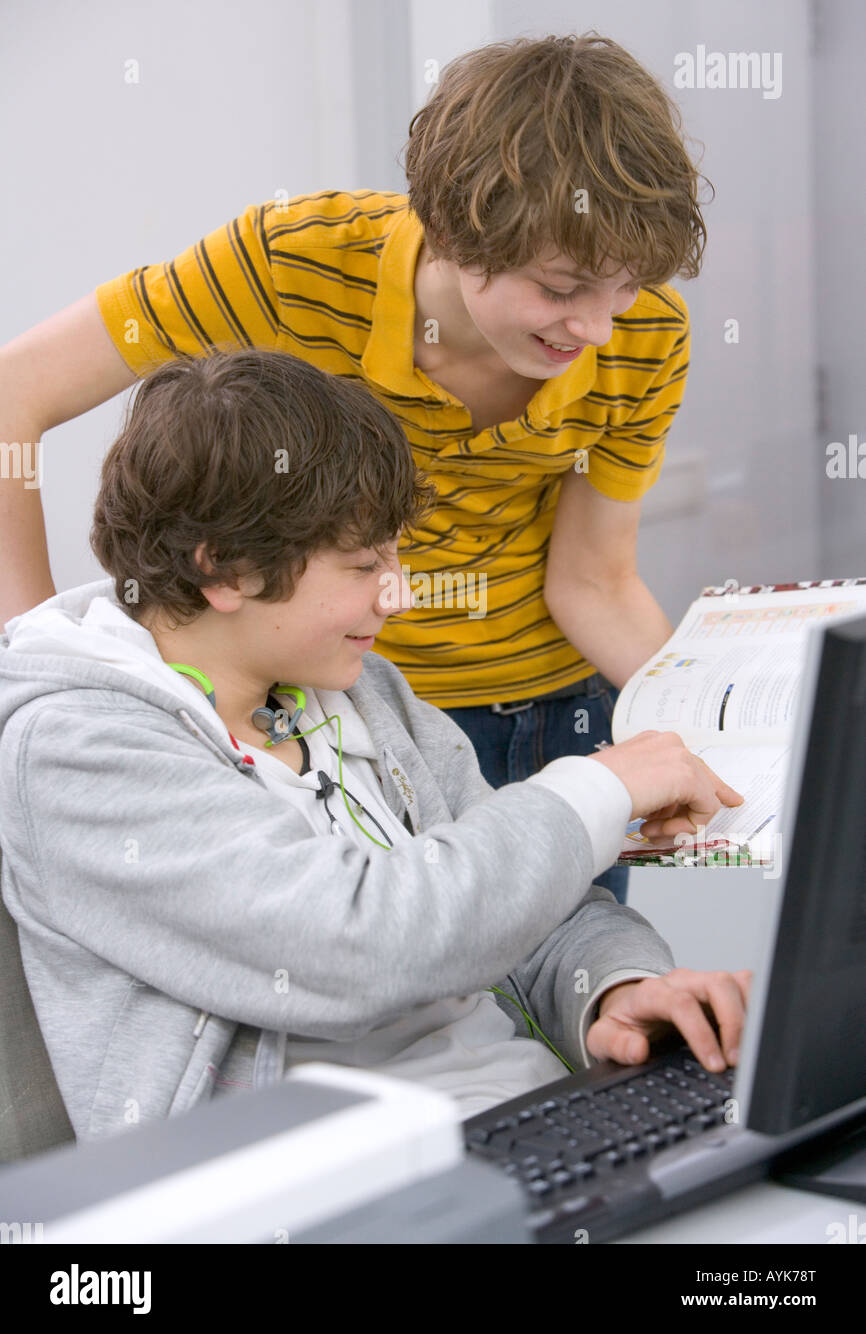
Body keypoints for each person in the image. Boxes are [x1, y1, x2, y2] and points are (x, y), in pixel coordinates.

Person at [0, 34, 708, 907]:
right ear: (453, 230)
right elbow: (12, 394)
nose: (599, 328)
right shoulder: (292, 262)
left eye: (627, 285)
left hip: (563, 722)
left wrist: (703, 735)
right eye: (561, 289)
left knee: (583, 998)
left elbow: (595, 583)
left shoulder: (646, 334)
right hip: (359, 725)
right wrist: (39, 657)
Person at [0, 349, 747, 1141]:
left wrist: (615, 989)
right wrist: (598, 787)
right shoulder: (80, 751)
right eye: (363, 564)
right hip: (329, 1190)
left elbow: (538, 908)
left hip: (521, 1124)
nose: (399, 592)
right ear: (223, 571)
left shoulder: (359, 689)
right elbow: (359, 944)